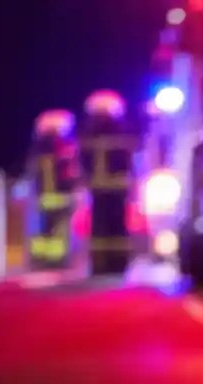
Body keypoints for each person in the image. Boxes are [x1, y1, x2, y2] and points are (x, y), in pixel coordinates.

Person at [79, 90, 138, 275]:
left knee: (105, 225)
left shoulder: (92, 133)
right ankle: (113, 264)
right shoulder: (121, 131)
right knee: (109, 225)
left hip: (106, 187)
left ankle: (105, 264)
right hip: (112, 187)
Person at [25, 109, 79, 268]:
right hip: (57, 196)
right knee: (57, 228)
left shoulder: (39, 150)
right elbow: (71, 174)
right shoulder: (64, 149)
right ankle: (55, 259)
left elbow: (33, 172)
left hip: (45, 196)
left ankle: (43, 258)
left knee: (45, 228)